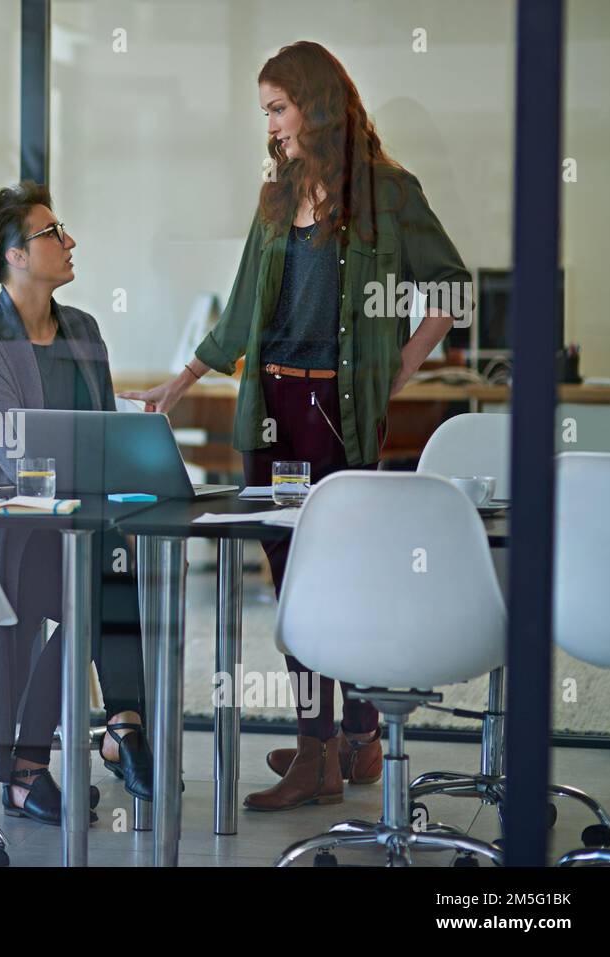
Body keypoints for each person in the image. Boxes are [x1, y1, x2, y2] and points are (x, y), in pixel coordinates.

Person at [122, 41, 470, 812]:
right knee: (291, 581)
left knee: (344, 576)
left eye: (277, 108)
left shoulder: (388, 191)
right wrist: (180, 383)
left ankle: (351, 738)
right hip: (272, 411)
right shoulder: (277, 195)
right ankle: (329, 743)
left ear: (313, 105)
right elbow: (244, 306)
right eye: (265, 113)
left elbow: (451, 289)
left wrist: (399, 367)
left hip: (336, 418)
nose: (271, 126)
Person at [0, 181, 153, 825]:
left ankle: (55, 756)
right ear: (14, 256)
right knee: (99, 580)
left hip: (77, 521)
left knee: (108, 565)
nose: (69, 242)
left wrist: (132, 459)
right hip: (4, 531)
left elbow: (101, 432)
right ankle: (119, 730)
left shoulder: (84, 329)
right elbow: (18, 462)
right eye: (51, 233)